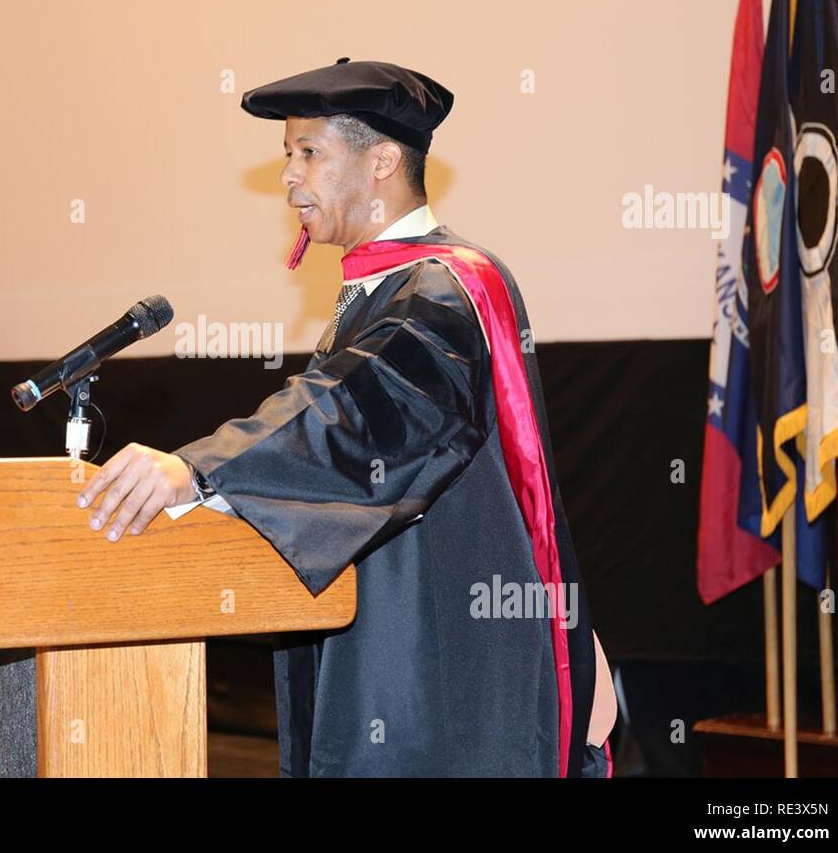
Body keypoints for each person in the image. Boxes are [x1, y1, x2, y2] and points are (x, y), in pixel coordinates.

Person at [77, 58, 614, 777]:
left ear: (384, 160)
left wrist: (197, 471)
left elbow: (352, 413)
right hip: (400, 628)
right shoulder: (390, 285)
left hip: (439, 645)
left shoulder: (445, 287)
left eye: (309, 153)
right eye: (287, 156)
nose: (289, 177)